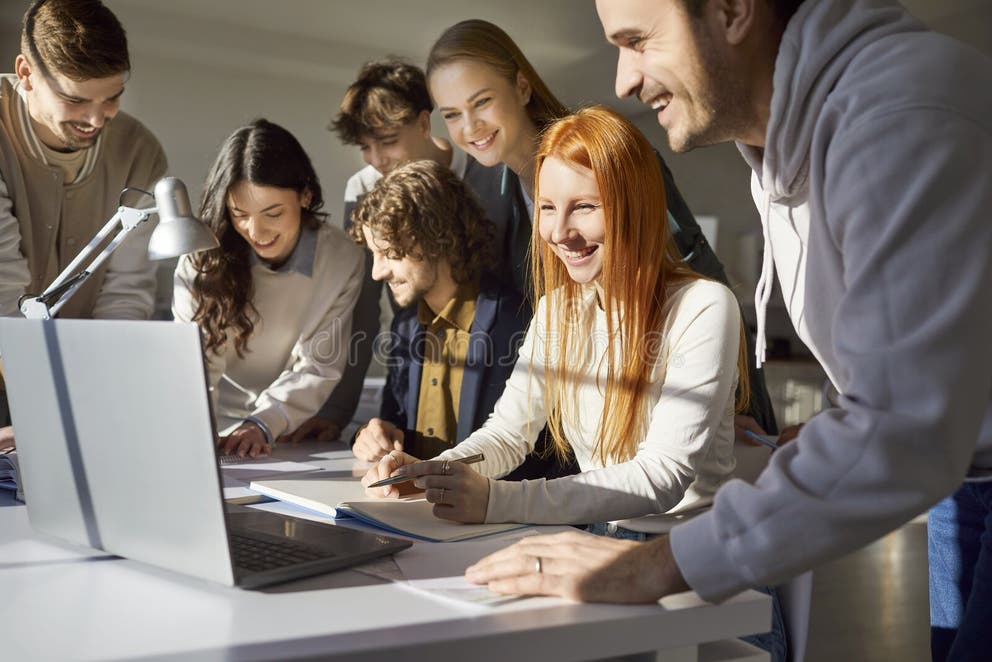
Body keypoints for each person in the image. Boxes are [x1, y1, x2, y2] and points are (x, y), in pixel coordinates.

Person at [468, 3, 992, 661]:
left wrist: (649, 566)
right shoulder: (781, 152)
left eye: (637, 40)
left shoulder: (898, 114)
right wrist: (838, 419)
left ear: (732, 10)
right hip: (965, 472)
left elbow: (902, 427)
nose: (624, 78)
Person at [425, 18, 777, 436]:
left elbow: (689, 270)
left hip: (672, 390)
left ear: (521, 87)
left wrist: (735, 400)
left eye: (482, 102)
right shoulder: (483, 189)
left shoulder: (603, 153)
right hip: (586, 416)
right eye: (451, 114)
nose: (470, 127)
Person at [291, 59, 502, 445]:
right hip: (416, 347)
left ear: (424, 123)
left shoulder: (488, 174)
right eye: (365, 147)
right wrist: (337, 412)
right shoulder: (365, 187)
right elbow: (362, 305)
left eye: (388, 142)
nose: (377, 160)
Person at [0, 0, 167, 441]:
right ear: (26, 74)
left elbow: (126, 295)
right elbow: (3, 291)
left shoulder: (139, 151)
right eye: (75, 100)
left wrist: (96, 395)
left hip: (80, 376)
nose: (96, 119)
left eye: (112, 97)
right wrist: (43, 408)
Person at [173, 119, 363, 458]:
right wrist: (194, 431)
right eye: (239, 213)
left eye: (273, 213)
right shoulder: (202, 255)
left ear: (305, 196)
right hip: (207, 421)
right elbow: (195, 364)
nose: (255, 230)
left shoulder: (341, 258)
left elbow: (318, 365)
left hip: (286, 426)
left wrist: (264, 422)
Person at [348, 159, 528, 464]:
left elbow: (540, 456)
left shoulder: (516, 324)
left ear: (436, 238)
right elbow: (394, 425)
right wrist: (370, 435)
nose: (377, 273)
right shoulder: (405, 325)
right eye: (373, 254)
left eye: (389, 253)